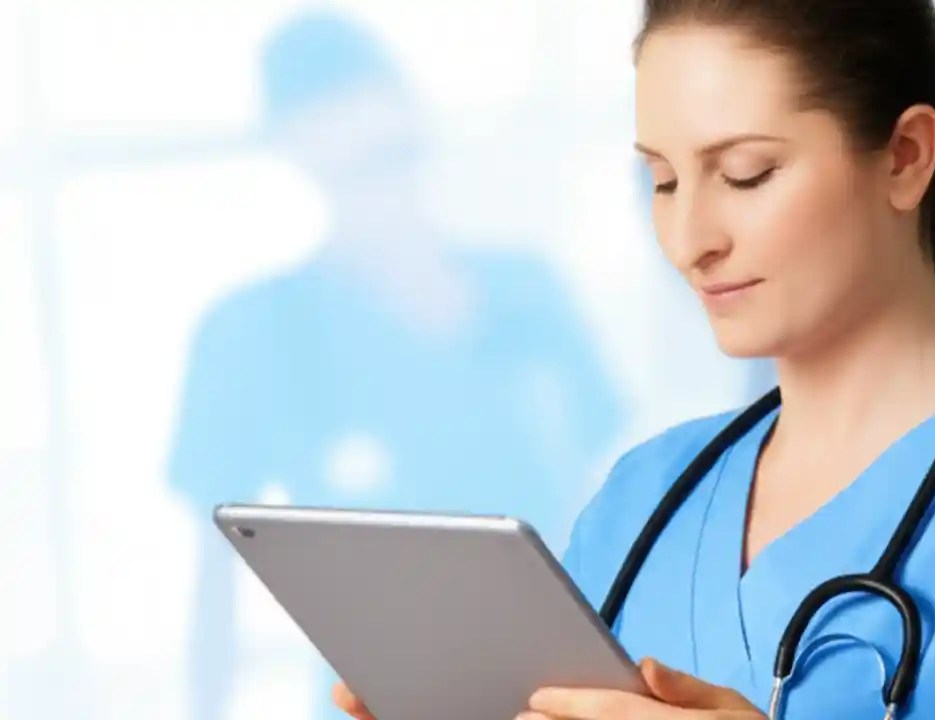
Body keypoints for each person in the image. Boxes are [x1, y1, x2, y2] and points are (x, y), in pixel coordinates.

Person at [334, 1, 935, 717]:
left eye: (746, 174)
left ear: (906, 157)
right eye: (663, 181)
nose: (689, 240)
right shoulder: (642, 503)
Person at [168, 10, 623, 720]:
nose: (383, 183)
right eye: (356, 164)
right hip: (374, 703)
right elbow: (214, 580)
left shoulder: (528, 295)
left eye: (392, 154)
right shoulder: (255, 332)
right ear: (296, 148)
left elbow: (613, 515)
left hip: (561, 698)